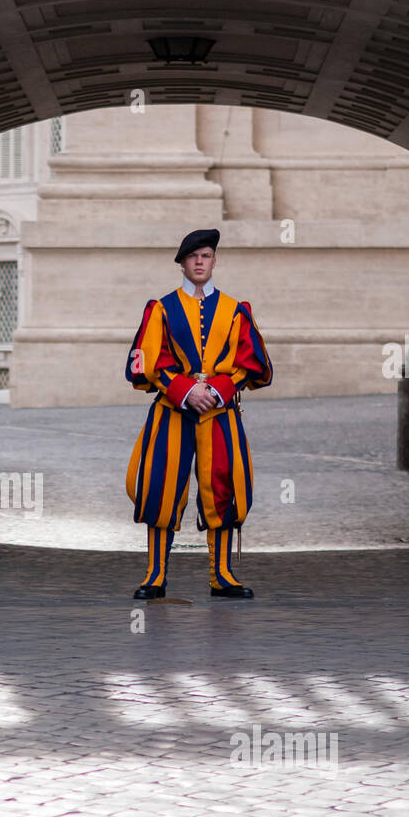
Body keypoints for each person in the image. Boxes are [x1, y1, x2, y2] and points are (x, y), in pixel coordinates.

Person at [125, 228, 272, 600]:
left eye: (206, 256)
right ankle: (155, 575)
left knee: (223, 486)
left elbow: (249, 362)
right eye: (193, 257)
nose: (200, 262)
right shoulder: (161, 309)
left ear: (214, 260)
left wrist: (217, 391)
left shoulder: (235, 310)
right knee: (161, 488)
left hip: (220, 413)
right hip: (172, 411)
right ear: (183, 264)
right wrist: (186, 390)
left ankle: (222, 575)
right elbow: (149, 360)